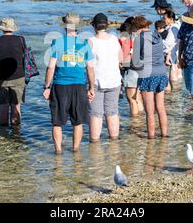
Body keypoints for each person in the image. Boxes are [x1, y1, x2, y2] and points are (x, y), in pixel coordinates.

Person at [43, 13, 95, 154]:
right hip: (79, 85)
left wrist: (47, 87)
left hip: (60, 85)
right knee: (78, 121)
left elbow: (51, 67)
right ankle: (75, 150)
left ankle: (58, 152)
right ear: (77, 27)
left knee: (57, 122)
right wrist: (91, 87)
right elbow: (90, 67)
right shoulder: (84, 43)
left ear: (65, 27)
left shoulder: (58, 42)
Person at [131, 16, 169, 139]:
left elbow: (136, 62)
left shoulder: (139, 39)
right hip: (161, 73)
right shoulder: (157, 35)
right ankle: (164, 135)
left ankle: (151, 138)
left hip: (147, 75)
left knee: (149, 111)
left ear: (137, 28)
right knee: (161, 108)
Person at [88, 13, 123, 142]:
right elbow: (121, 58)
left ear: (94, 26)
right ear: (106, 25)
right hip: (114, 80)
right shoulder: (114, 38)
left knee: (96, 113)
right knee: (112, 112)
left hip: (97, 81)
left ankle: (95, 145)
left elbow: (89, 66)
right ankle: (114, 143)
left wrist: (90, 86)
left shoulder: (91, 41)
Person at [0, 18, 27, 127]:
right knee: (16, 105)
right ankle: (16, 133)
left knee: (3, 105)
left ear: (2, 28)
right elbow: (25, 57)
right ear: (13, 28)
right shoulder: (21, 39)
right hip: (18, 76)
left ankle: (3, 133)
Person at [118, 17, 144, 117]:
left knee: (131, 99)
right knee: (138, 97)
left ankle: (135, 123)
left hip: (132, 71)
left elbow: (125, 59)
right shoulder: (138, 37)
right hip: (141, 70)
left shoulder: (125, 38)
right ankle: (141, 118)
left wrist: (121, 65)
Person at [163, 9, 183, 83]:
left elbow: (167, 43)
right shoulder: (178, 25)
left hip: (172, 56)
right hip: (177, 54)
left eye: (165, 18)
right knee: (179, 77)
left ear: (171, 19)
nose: (163, 20)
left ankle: (172, 94)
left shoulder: (172, 29)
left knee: (172, 79)